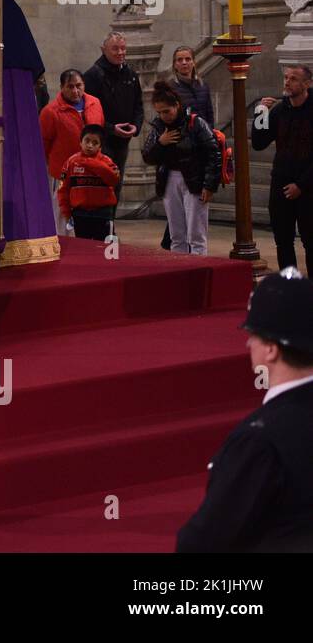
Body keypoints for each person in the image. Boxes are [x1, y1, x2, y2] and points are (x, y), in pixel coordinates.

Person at [177, 270, 313, 552]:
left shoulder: (259, 440)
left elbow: (205, 541)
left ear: (271, 350)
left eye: (253, 335)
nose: (248, 343)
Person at [142, 80, 220, 256]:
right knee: (177, 235)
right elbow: (147, 156)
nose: (164, 116)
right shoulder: (159, 127)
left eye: (167, 111)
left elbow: (213, 154)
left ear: (176, 105)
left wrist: (209, 185)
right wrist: (160, 143)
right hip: (169, 179)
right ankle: (179, 272)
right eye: (160, 112)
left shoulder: (196, 123)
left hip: (194, 180)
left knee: (196, 235)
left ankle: (198, 272)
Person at [254, 64, 313, 273]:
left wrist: (301, 185)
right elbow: (259, 143)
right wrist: (261, 113)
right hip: (281, 183)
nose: (287, 82)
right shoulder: (279, 110)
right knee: (283, 241)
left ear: (307, 84)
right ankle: (291, 290)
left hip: (308, 186)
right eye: (286, 77)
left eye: (294, 78)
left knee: (310, 242)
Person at [38, 69, 105, 236]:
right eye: (70, 87)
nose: (75, 91)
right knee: (63, 214)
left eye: (79, 86)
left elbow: (100, 132)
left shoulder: (95, 103)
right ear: (62, 87)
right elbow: (43, 143)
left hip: (93, 169)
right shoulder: (51, 111)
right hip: (63, 172)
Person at [83, 32, 144, 203]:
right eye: (115, 49)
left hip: (122, 142)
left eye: (123, 48)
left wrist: (136, 126)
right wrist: (111, 128)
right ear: (104, 50)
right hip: (101, 143)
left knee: (116, 186)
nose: (120, 53)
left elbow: (139, 105)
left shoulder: (131, 74)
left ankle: (110, 225)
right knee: (100, 187)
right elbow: (88, 113)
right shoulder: (93, 76)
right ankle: (99, 228)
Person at [58, 124, 120, 241]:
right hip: (80, 214)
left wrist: (90, 163)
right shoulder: (71, 162)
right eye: (87, 141)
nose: (90, 145)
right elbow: (63, 190)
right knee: (83, 248)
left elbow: (113, 179)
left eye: (95, 143)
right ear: (80, 142)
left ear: (100, 146)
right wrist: (66, 212)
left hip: (103, 213)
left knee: (105, 248)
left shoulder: (107, 162)